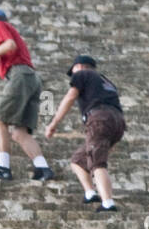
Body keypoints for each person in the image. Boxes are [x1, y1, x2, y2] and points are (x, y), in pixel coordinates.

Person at [0, 7, 55, 181]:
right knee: (19, 133)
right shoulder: (4, 32)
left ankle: (3, 168)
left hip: (20, 75)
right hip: (31, 79)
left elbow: (10, 45)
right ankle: (43, 169)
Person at [46, 55, 126, 212]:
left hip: (99, 119)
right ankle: (90, 193)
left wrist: (53, 123)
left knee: (97, 163)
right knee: (78, 160)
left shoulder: (83, 74)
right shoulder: (107, 82)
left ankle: (108, 203)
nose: (73, 75)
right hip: (117, 121)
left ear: (80, 66)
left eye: (73, 71)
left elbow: (70, 97)